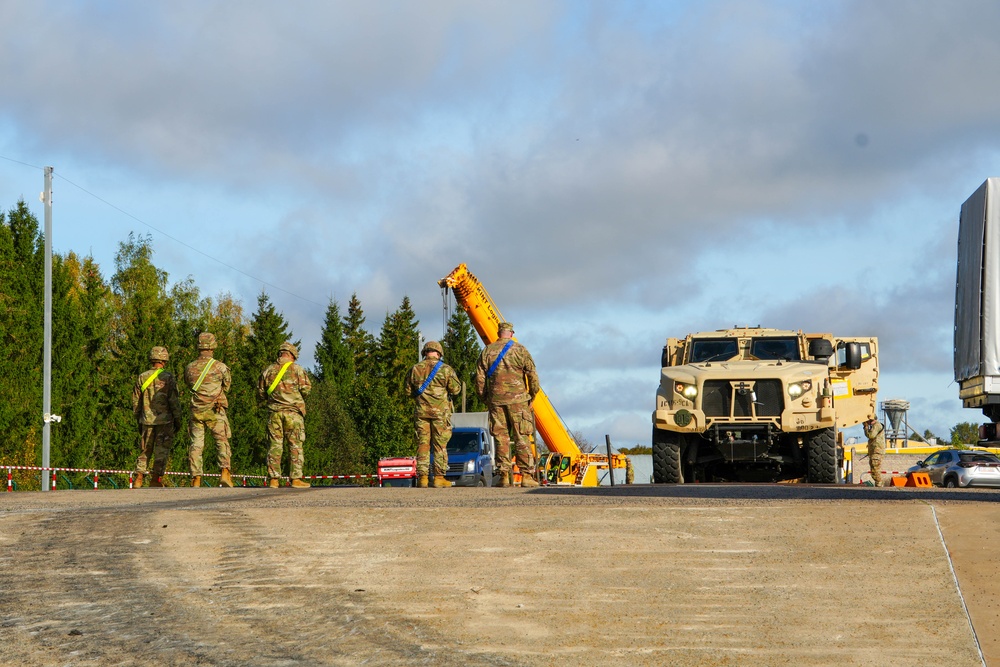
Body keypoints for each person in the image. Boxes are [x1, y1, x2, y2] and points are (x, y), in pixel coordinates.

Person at [474, 322, 541, 488]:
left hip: (496, 401)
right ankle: (526, 475)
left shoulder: (487, 351)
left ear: (499, 333)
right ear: (511, 333)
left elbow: (479, 379)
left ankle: (504, 476)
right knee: (522, 436)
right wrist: (531, 396)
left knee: (500, 437)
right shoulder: (521, 350)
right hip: (518, 401)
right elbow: (533, 376)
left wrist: (487, 399)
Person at [405, 340, 462, 488]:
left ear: (425, 353)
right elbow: (456, 390)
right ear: (439, 353)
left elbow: (408, 391)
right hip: (440, 414)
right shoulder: (446, 369)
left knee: (423, 445)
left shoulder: (415, 369)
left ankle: (422, 478)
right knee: (439, 445)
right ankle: (438, 477)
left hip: (421, 412)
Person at [258, 341, 312, 488]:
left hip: (274, 414)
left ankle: (274, 480)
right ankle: (295, 479)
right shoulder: (297, 370)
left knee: (274, 446)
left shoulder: (268, 371)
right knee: (295, 445)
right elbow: (306, 390)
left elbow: (261, 393)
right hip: (293, 414)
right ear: (293, 355)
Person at [184, 332, 234, 488]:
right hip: (215, 409)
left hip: (197, 410)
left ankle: (196, 479)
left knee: (196, 444)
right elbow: (227, 386)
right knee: (221, 441)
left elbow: (189, 384)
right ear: (213, 346)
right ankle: (225, 473)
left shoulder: (190, 367)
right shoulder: (220, 367)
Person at [132, 346, 182, 488]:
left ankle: (139, 477)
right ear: (164, 359)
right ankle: (155, 479)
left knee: (145, 449)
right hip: (165, 421)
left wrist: (138, 418)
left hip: (146, 420)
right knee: (161, 451)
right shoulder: (168, 377)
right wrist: (178, 420)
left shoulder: (142, 377)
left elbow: (136, 401)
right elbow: (174, 401)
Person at [864, 417, 886, 487]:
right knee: (874, 469)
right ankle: (878, 484)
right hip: (875, 451)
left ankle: (879, 484)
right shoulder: (875, 426)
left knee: (875, 469)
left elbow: (871, 435)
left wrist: (865, 427)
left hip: (877, 451)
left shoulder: (876, 425)